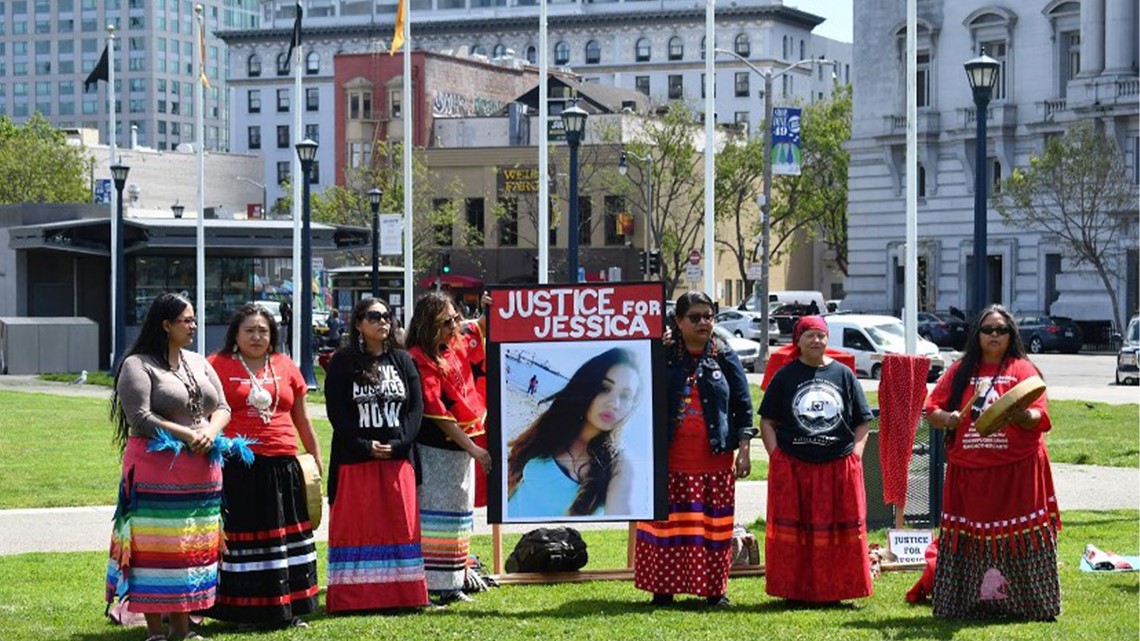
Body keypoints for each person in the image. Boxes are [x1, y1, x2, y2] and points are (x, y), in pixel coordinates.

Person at [106, 293, 232, 641]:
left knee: (192, 545)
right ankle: (155, 630)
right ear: (165, 324)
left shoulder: (198, 361)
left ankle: (184, 627)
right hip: (156, 470)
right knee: (157, 546)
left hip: (201, 471)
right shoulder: (137, 365)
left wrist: (209, 430)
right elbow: (141, 417)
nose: (193, 326)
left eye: (194, 320)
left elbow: (222, 406)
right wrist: (189, 433)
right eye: (186, 320)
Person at [924, 304, 1059, 621]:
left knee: (1019, 532)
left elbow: (1041, 414)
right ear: (977, 335)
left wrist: (1024, 417)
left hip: (1017, 470)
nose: (995, 335)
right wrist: (951, 419)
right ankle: (964, 602)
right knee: (970, 534)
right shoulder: (960, 371)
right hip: (970, 471)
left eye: (1002, 329)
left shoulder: (1023, 370)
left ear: (1011, 335)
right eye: (988, 329)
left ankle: (1030, 604)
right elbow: (932, 409)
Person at [635, 291, 755, 607]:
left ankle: (714, 593)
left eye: (709, 316)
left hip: (714, 462)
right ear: (678, 321)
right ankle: (663, 591)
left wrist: (744, 449)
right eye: (695, 317)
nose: (703, 322)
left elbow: (743, 406)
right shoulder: (662, 356)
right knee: (667, 528)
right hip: (670, 460)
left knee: (712, 529)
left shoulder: (724, 356)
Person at [205, 304, 321, 628]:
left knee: (286, 539)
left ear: (272, 336)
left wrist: (314, 455)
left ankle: (290, 609)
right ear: (236, 334)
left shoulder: (286, 366)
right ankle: (244, 612)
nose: (256, 336)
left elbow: (302, 418)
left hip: (283, 464)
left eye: (263, 330)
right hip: (238, 464)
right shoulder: (216, 365)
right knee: (244, 539)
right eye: (249, 330)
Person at [758, 315, 874, 604]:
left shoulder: (844, 375)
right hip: (794, 466)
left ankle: (837, 590)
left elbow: (863, 422)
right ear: (797, 340)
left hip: (838, 464)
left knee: (837, 532)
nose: (816, 340)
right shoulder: (784, 376)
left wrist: (856, 455)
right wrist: (777, 458)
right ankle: (793, 592)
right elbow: (768, 421)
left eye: (821, 335)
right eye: (809, 335)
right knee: (795, 532)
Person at [323, 298, 430, 612]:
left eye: (387, 316)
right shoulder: (343, 362)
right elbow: (337, 413)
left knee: (399, 526)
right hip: (356, 462)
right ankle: (353, 598)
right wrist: (364, 445)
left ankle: (403, 595)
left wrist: (399, 444)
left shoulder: (403, 360)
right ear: (358, 323)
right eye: (374, 316)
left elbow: (415, 410)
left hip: (398, 461)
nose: (383, 321)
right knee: (358, 528)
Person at [405, 291, 489, 605]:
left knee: (458, 516)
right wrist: (475, 449)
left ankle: (456, 579)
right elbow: (438, 412)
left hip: (460, 446)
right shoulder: (418, 358)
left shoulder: (453, 344)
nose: (454, 326)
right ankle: (437, 585)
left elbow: (479, 328)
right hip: (435, 448)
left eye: (455, 318)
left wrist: (490, 309)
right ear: (428, 324)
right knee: (437, 518)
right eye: (446, 322)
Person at [507, 347, 643, 518]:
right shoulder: (552, 428)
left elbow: (623, 512)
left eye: (625, 396)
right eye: (605, 388)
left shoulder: (617, 466)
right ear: (588, 386)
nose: (614, 403)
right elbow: (513, 480)